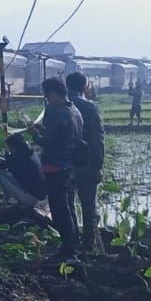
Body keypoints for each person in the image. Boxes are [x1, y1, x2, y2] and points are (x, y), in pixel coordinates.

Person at [30, 76, 84, 262]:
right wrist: (44, 130)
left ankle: (68, 249)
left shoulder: (58, 112)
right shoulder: (74, 110)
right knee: (68, 206)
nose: (47, 99)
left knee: (60, 210)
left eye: (47, 96)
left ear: (53, 94)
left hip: (56, 166)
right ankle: (73, 243)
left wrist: (35, 133)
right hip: (69, 165)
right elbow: (61, 135)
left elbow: (48, 142)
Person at [66, 72, 105, 252]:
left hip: (65, 164)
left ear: (67, 85)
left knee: (68, 204)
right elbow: (97, 139)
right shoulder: (90, 107)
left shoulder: (57, 106)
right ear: (85, 87)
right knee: (88, 205)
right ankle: (89, 244)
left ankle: (72, 240)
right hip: (87, 163)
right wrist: (98, 166)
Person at [0, 132, 46, 208]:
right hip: (42, 194)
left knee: (1, 174)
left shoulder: (13, 158)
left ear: (12, 147)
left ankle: (7, 202)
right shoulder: (31, 154)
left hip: (29, 197)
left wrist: (4, 156)